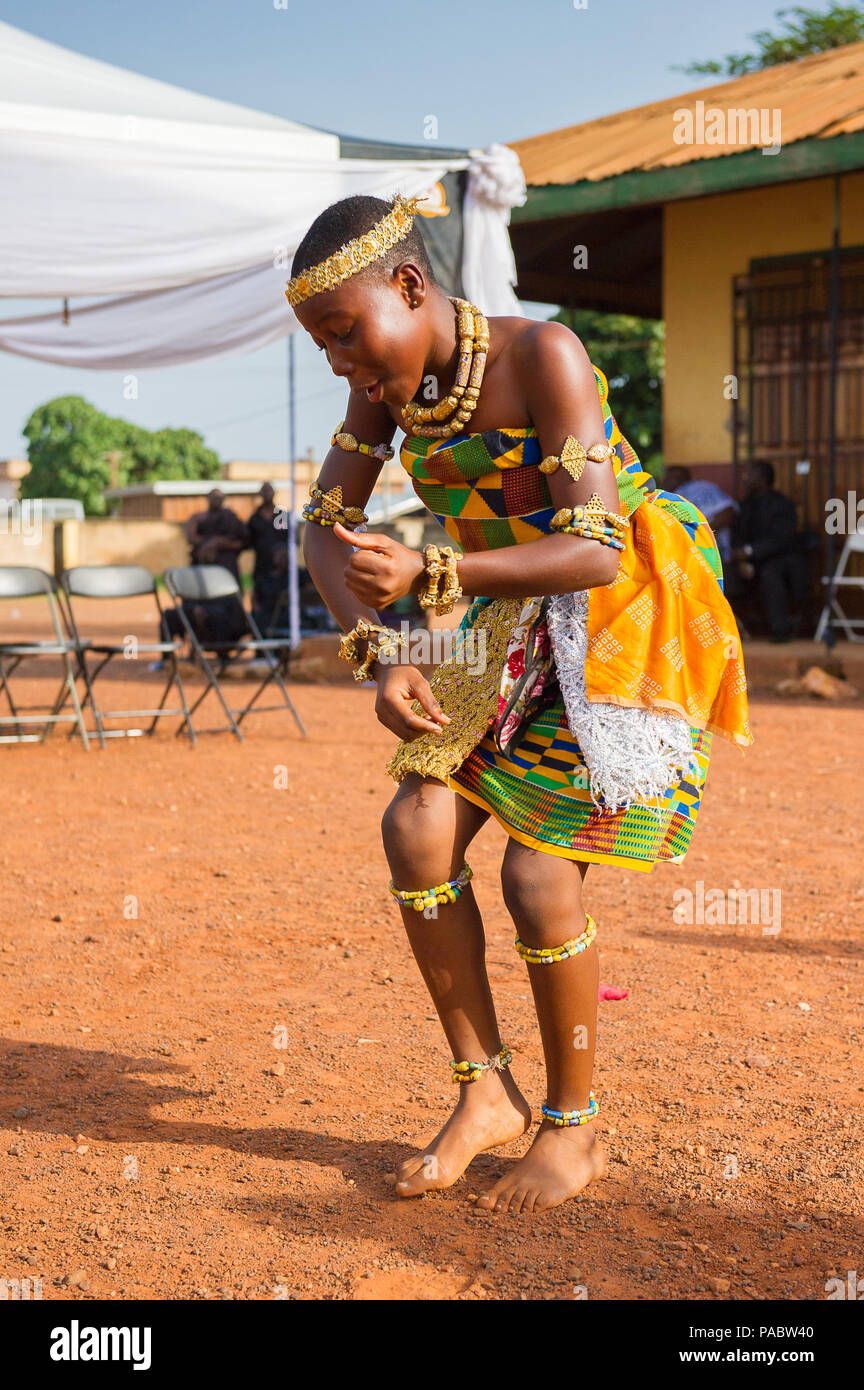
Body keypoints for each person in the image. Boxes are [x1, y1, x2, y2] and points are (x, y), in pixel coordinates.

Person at [289, 193, 751, 1214]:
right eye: (322, 344)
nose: (339, 364)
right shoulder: (387, 386)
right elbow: (322, 524)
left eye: (344, 331)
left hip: (622, 617)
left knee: (539, 877)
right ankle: (484, 1092)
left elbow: (596, 547)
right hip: (504, 620)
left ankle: (572, 1128)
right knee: (415, 829)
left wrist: (429, 569)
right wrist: (377, 653)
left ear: (409, 286)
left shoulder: (546, 355)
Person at [730, 460, 807, 642]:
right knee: (721, 571)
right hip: (753, 560)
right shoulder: (746, 505)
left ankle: (779, 630)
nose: (745, 479)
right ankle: (732, 630)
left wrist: (748, 552)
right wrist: (742, 561)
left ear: (762, 479)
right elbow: (738, 535)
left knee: (770, 573)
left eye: (749, 475)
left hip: (783, 560)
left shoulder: (782, 505)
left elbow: (780, 540)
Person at [663, 465, 738, 566]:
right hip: (685, 557)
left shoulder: (700, 488)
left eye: (674, 477)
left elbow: (728, 512)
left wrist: (703, 534)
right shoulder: (665, 499)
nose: (668, 481)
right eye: (667, 478)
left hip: (714, 553)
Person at [247, 483, 287, 632]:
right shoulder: (255, 518)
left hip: (281, 569)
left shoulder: (281, 515)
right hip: (262, 567)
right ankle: (261, 635)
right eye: (264, 491)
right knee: (260, 601)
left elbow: (291, 539)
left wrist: (282, 557)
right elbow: (248, 541)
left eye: (269, 490)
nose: (267, 494)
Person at [185, 488, 248, 583]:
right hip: (204, 563)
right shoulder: (198, 518)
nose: (216, 500)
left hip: (227, 565)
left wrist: (220, 543)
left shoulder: (230, 518)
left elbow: (242, 541)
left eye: (219, 497)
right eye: (214, 497)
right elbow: (191, 538)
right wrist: (210, 543)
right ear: (208, 498)